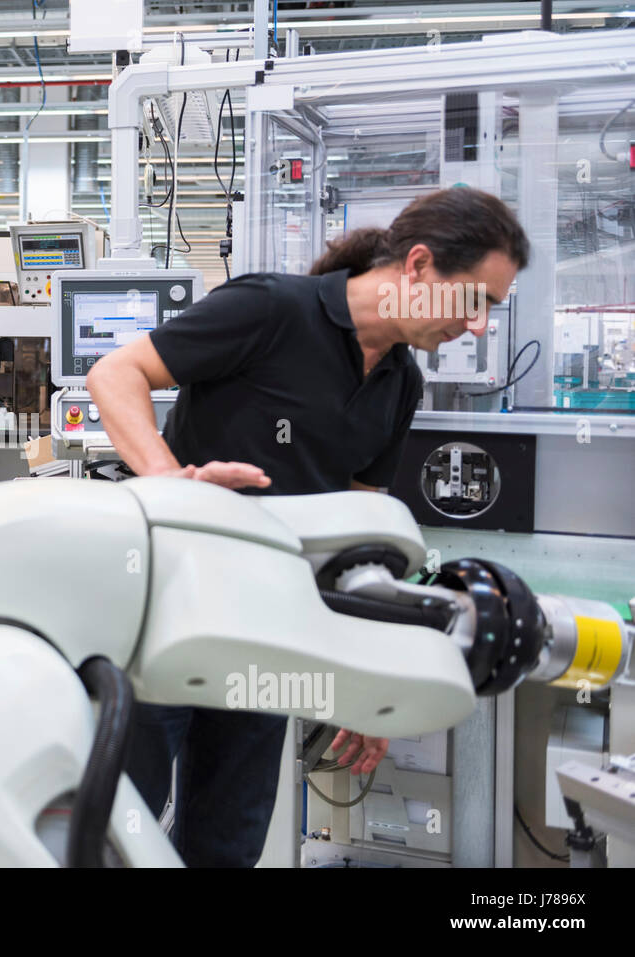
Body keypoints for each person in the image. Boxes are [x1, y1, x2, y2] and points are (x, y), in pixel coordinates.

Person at [86, 188, 529, 866]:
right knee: (117, 832)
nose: (477, 327)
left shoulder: (400, 383)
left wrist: (365, 680)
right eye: (477, 301)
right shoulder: (273, 309)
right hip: (164, 612)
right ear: (417, 266)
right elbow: (117, 372)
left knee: (227, 841)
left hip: (268, 630)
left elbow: (356, 540)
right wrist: (166, 481)